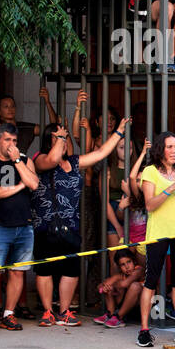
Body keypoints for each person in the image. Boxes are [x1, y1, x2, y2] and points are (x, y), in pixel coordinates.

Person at [30, 117, 129, 327]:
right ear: (50, 141)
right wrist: (59, 138)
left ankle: (64, 311)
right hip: (46, 225)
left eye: (65, 140)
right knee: (45, 270)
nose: (64, 143)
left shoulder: (74, 162)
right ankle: (48, 311)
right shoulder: (40, 159)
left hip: (71, 225)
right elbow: (52, 158)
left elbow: (100, 153)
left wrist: (118, 132)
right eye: (59, 139)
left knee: (71, 269)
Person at [0, 123, 41, 333]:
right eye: (7, 140)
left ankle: (8, 314)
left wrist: (17, 161)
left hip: (24, 225)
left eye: (14, 141)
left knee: (17, 272)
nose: (12, 144)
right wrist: (18, 186)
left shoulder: (24, 160)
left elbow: (34, 184)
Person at [136, 132, 175, 347]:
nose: (174, 151)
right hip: (159, 232)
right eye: (169, 147)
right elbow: (150, 205)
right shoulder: (150, 171)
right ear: (160, 149)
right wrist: (172, 187)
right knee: (151, 280)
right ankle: (144, 329)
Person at [95, 247, 144, 327]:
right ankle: (110, 314)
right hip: (125, 309)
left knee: (135, 286)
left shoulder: (139, 270)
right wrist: (105, 288)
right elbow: (100, 286)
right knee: (107, 285)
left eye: (129, 262)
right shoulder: (121, 275)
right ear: (119, 267)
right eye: (123, 265)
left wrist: (111, 286)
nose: (127, 267)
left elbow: (125, 284)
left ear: (134, 261)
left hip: (140, 309)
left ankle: (119, 317)